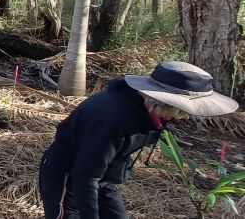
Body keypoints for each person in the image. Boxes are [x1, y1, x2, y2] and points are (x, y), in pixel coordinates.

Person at [39, 61, 238, 219]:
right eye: (181, 110)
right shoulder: (112, 119)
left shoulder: (149, 111)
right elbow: (85, 176)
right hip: (69, 177)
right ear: (161, 101)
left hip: (103, 179)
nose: (184, 116)